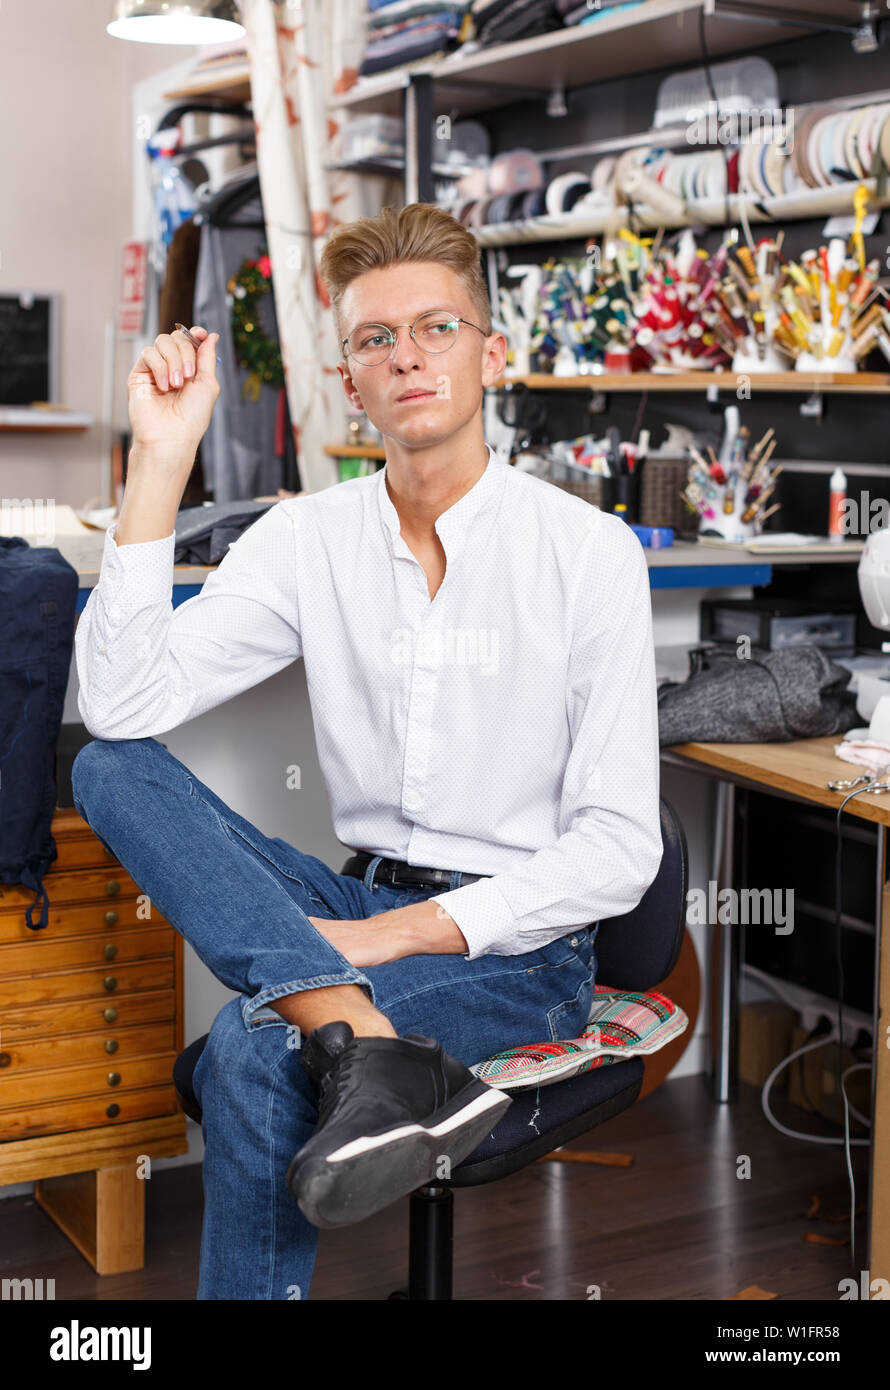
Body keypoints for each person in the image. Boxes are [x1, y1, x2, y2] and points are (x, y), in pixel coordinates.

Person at [72, 202, 662, 1300]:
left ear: (489, 350)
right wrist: (160, 460)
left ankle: (328, 1020)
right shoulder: (306, 539)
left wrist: (389, 937)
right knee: (107, 767)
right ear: (349, 378)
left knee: (251, 1050)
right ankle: (350, 1026)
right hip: (346, 906)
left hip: (515, 952)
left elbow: (620, 849)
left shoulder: (586, 554)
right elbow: (121, 701)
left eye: (435, 327)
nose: (407, 356)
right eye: (376, 338)